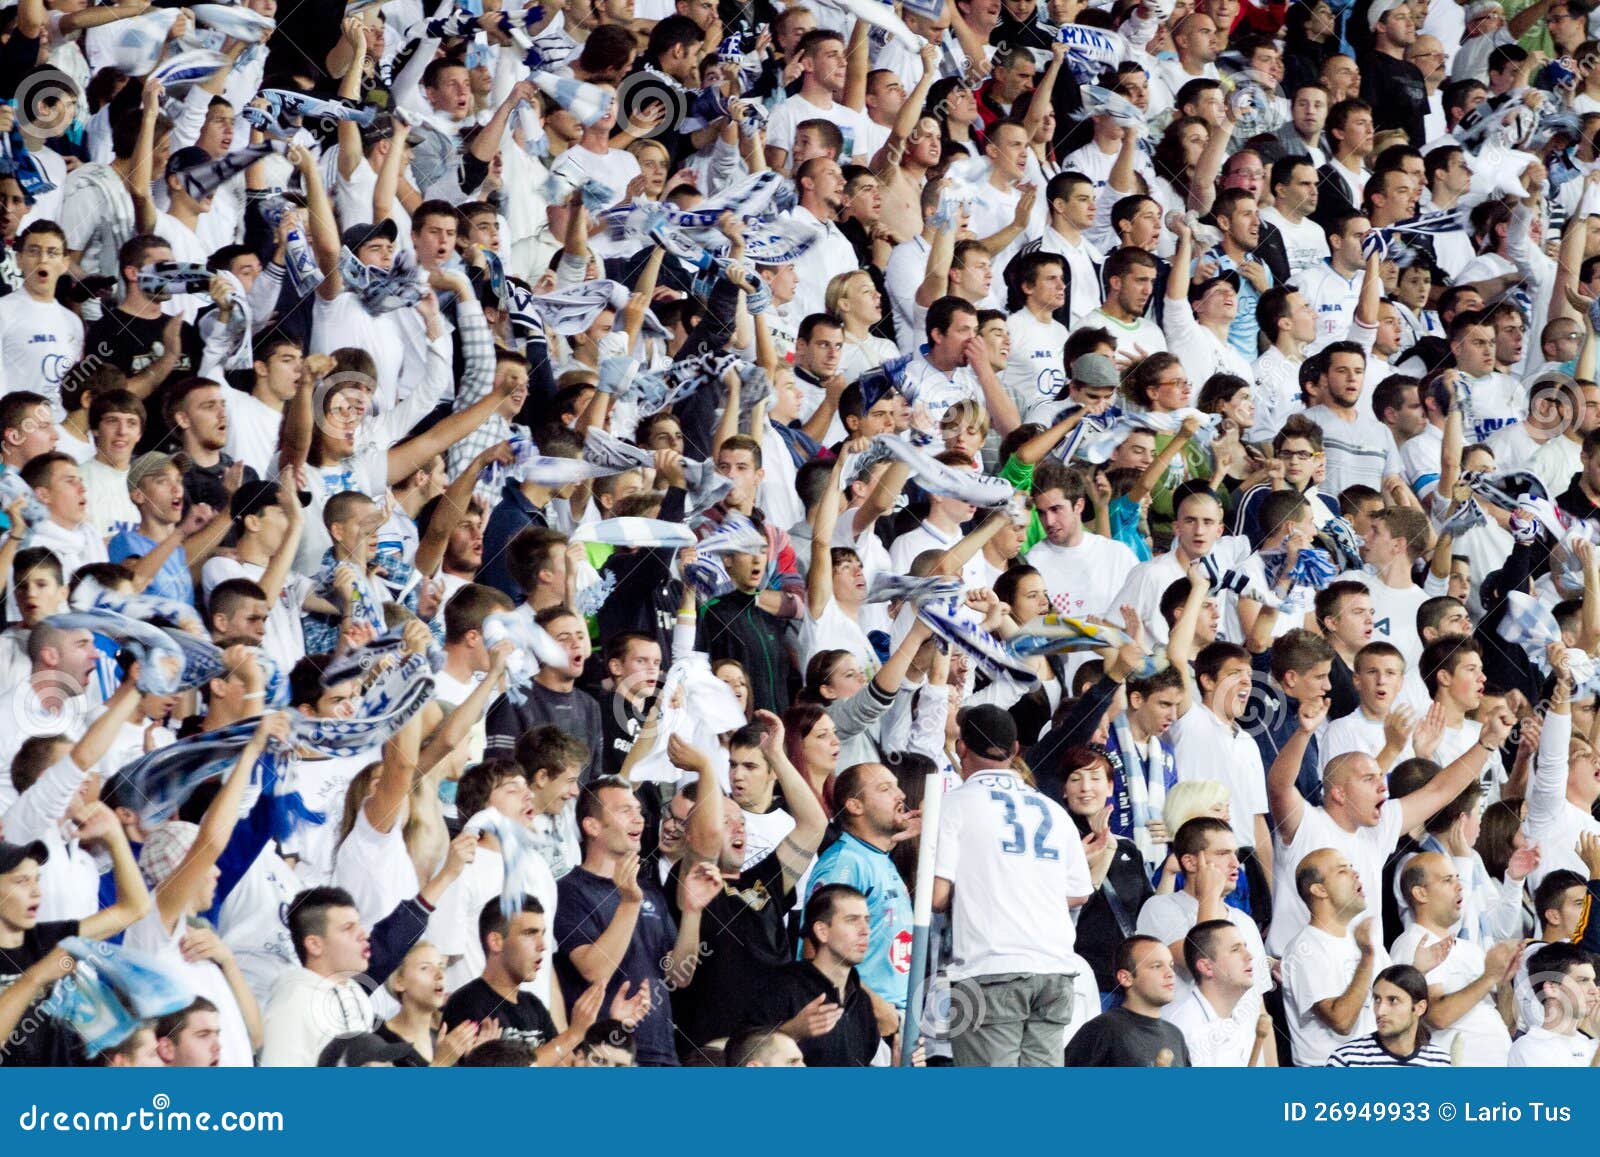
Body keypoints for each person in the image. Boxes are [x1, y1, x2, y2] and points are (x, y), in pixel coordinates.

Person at [934, 705, 1094, 1066]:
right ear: (1015, 749)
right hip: (1054, 969)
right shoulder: (1052, 809)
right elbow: (1079, 892)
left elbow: (937, 896)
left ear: (961, 747)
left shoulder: (953, 804)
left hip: (991, 969)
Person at [745, 884, 885, 1067]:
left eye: (867, 920)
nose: (866, 930)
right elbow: (742, 1055)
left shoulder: (862, 1001)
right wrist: (791, 1031)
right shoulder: (781, 987)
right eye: (852, 920)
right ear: (822, 931)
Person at [1063, 936, 1190, 1066]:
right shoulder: (1103, 1029)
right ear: (1126, 978)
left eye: (1171, 966)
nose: (1170, 973)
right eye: (1156, 966)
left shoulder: (1175, 1035)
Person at [1325, 965, 1452, 1066]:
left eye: (1393, 1000)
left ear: (1420, 1008)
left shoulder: (1439, 1062)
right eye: (1377, 999)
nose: (1380, 1011)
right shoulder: (1346, 1059)